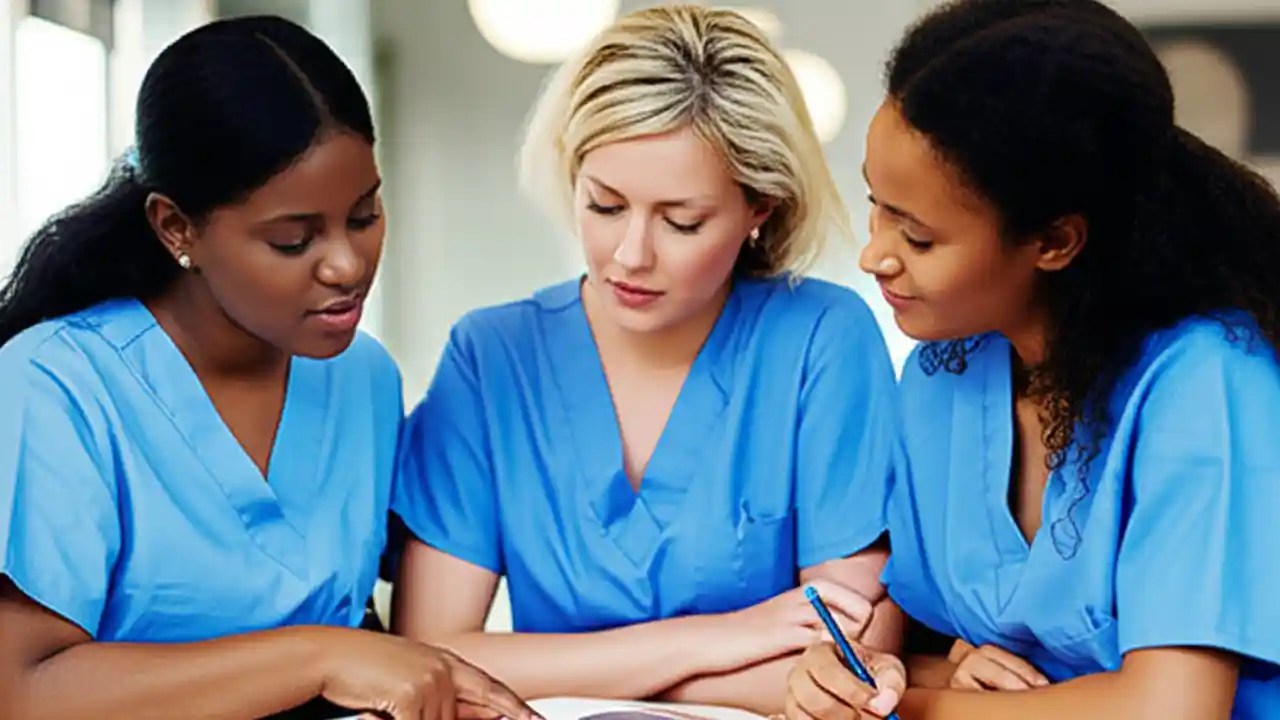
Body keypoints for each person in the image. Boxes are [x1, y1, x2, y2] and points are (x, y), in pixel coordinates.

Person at [0, 16, 533, 720]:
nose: (347, 265)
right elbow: (21, 690)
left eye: (365, 214)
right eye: (293, 239)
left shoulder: (361, 379)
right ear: (176, 228)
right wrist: (320, 657)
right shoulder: (56, 385)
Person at [390, 4, 901, 714]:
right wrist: (714, 640)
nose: (630, 255)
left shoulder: (821, 340)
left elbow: (847, 666)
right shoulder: (492, 358)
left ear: (761, 206)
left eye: (681, 221)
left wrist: (563, 668)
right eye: (604, 206)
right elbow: (427, 659)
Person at [783, 1, 1280, 718]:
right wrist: (860, 675)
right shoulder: (942, 371)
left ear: (1055, 242)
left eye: (918, 237)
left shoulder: (1209, 383)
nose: (873, 256)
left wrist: (913, 706)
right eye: (878, 205)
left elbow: (1169, 709)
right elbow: (934, 626)